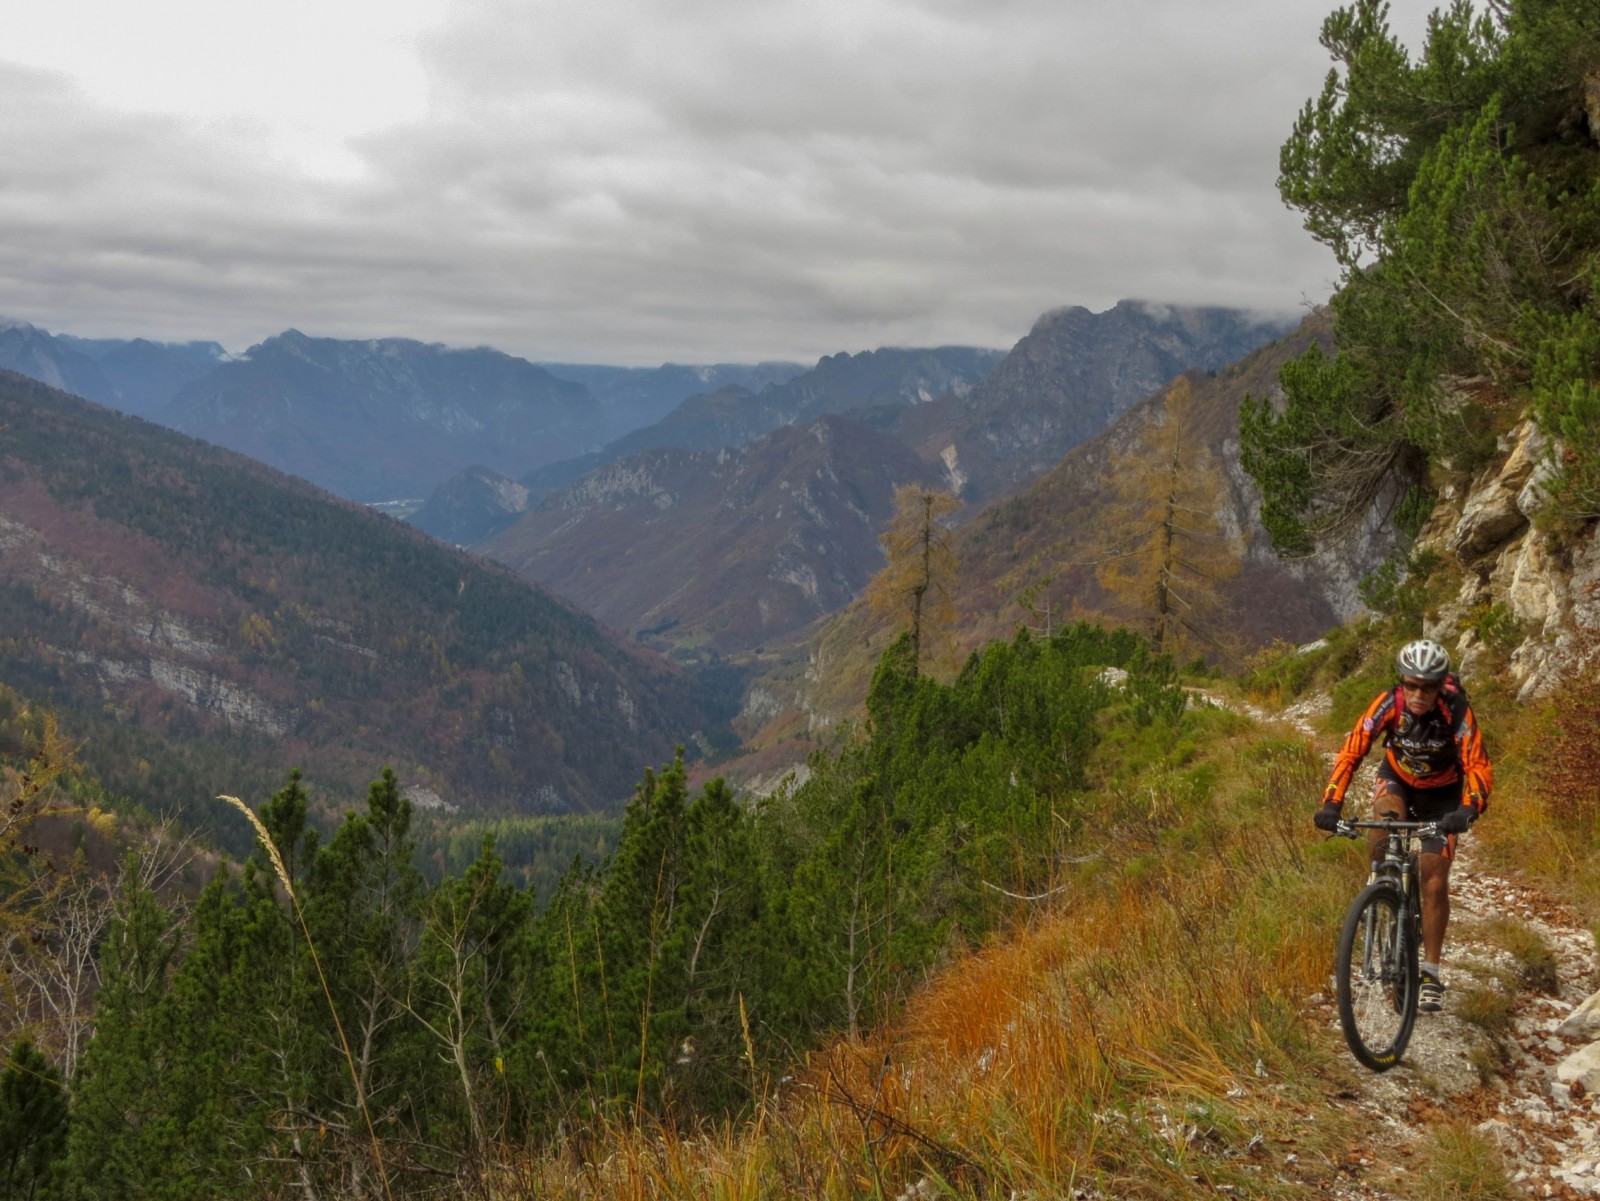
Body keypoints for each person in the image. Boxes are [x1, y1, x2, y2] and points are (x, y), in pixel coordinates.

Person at [1313, 638, 1493, 1012]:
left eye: (1427, 687)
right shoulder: (1388, 703)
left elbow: (1477, 764)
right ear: (1402, 681)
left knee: (1434, 878)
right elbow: (1352, 750)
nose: (1418, 694)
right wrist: (1332, 803)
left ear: (1440, 686)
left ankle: (1430, 972)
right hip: (1396, 779)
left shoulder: (1456, 709)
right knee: (1383, 825)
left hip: (1442, 794)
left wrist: (1468, 808)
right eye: (1411, 685)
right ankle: (1381, 890)